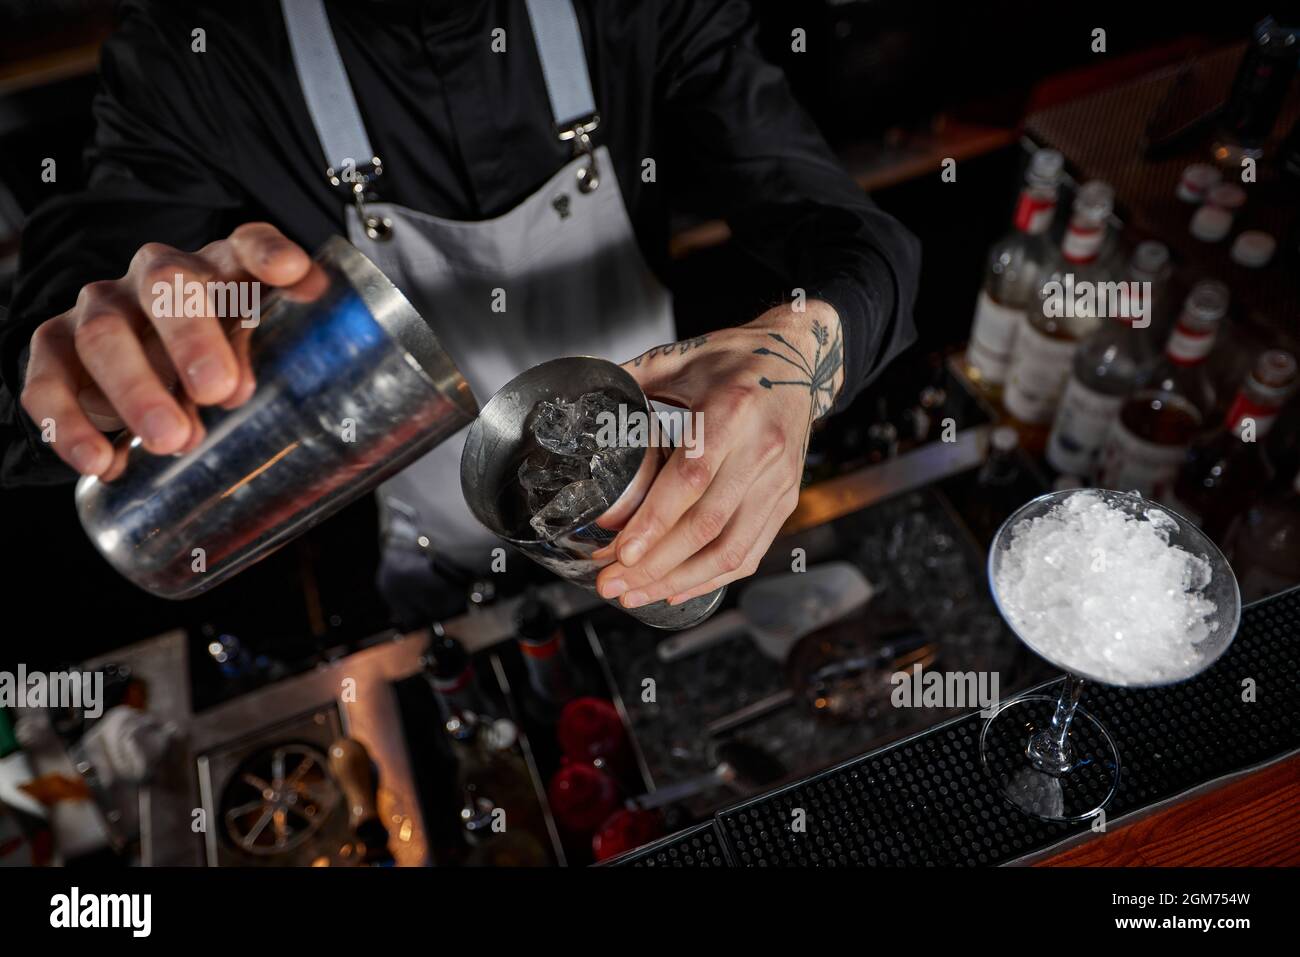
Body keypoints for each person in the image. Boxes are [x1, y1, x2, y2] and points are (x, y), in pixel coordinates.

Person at [0, 0, 920, 623]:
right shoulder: (194, 53)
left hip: (665, 497)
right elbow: (57, 323)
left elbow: (857, 241)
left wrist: (798, 358)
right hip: (428, 557)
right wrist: (96, 362)